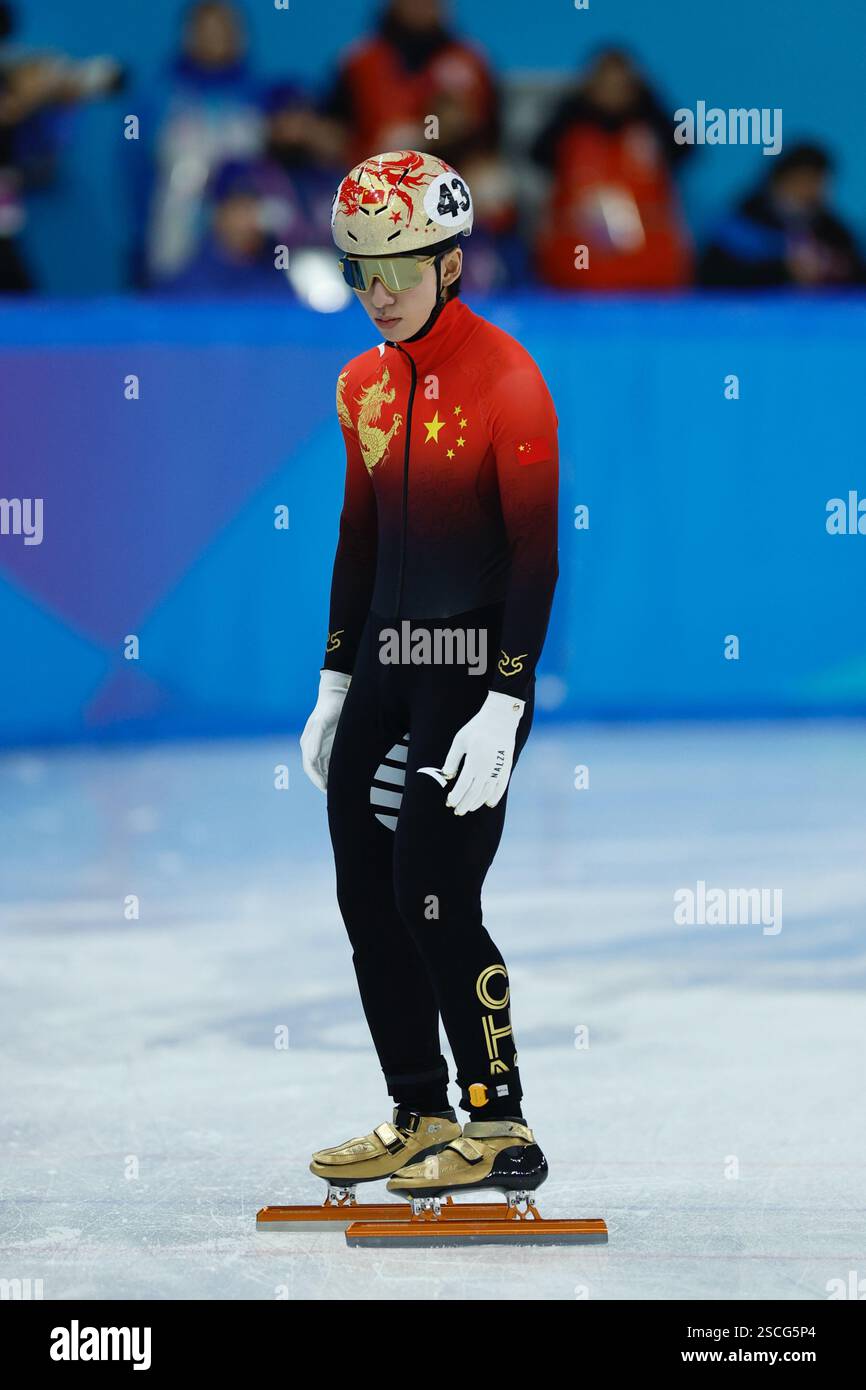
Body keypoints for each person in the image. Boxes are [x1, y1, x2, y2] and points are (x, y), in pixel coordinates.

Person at [299, 150, 559, 1202]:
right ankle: (419, 1112)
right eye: (360, 270)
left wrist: (505, 698)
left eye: (401, 268)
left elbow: (536, 555)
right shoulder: (360, 382)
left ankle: (499, 1121)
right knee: (367, 894)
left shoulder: (508, 379)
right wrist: (331, 681)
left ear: (450, 263)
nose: (380, 293)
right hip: (386, 665)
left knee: (437, 893)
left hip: (469, 671)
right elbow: (358, 539)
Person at [531, 46, 693, 291]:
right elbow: (537, 153)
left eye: (621, 85)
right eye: (604, 85)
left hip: (651, 275)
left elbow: (687, 148)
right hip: (579, 278)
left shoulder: (652, 132)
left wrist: (651, 101)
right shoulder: (568, 133)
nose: (612, 94)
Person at [698, 142, 865, 290]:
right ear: (777, 181)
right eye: (800, 181)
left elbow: (857, 277)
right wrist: (782, 270)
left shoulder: (834, 232)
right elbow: (710, 279)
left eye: (817, 183)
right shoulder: (740, 224)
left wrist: (833, 271)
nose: (808, 192)